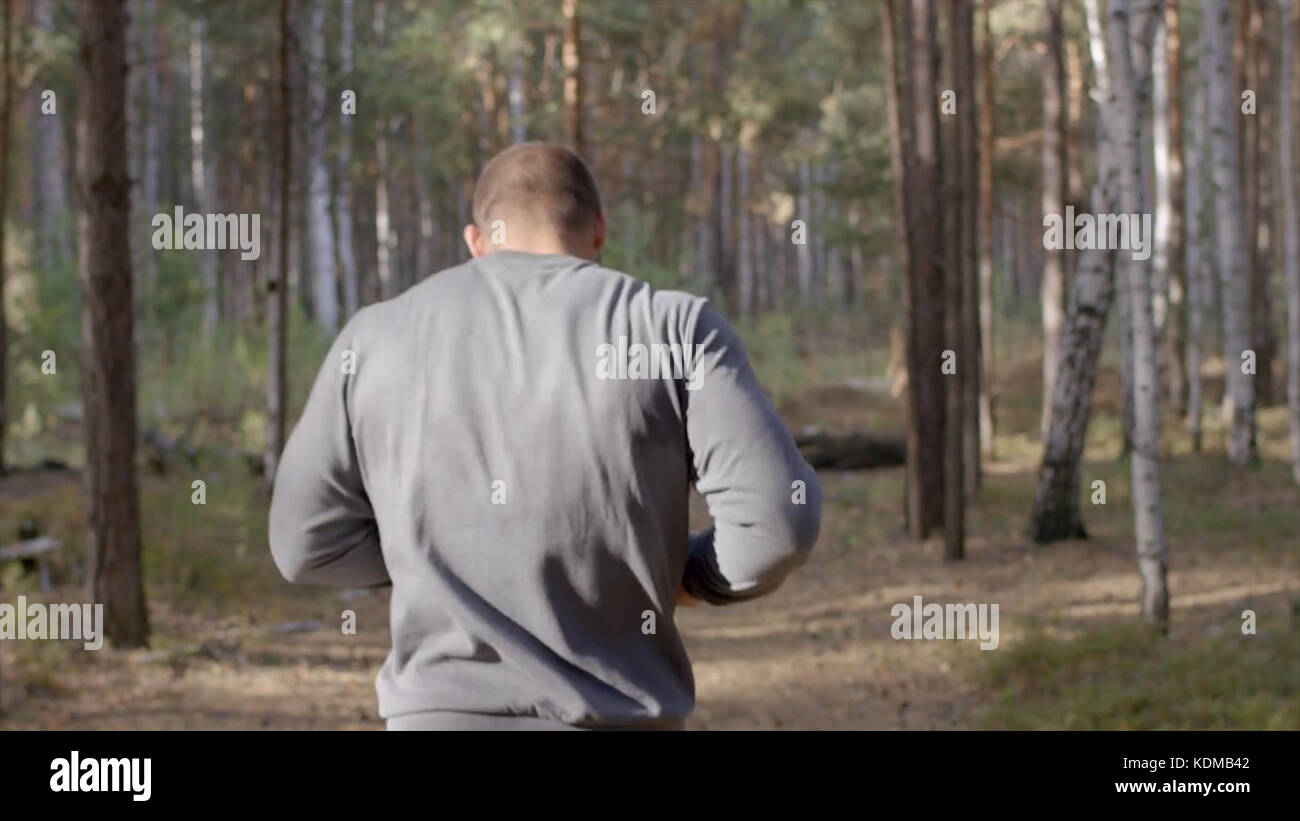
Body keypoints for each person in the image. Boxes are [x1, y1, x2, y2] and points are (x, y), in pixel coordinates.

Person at [268, 142, 822, 730]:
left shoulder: (374, 338)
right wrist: (691, 573)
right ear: (598, 232)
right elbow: (777, 524)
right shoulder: (672, 327)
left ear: (477, 242)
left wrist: (437, 554)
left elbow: (303, 543)